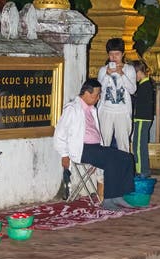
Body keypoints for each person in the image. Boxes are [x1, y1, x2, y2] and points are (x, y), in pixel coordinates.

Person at [53, 78, 139, 211]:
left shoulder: (92, 109)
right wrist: (64, 155)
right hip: (82, 149)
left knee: (126, 158)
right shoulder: (72, 109)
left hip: (95, 148)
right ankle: (108, 200)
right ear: (86, 94)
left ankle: (118, 195)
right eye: (96, 95)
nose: (98, 98)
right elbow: (59, 134)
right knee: (110, 160)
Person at [97, 37, 137, 152]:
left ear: (123, 54)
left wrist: (122, 74)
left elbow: (132, 90)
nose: (114, 57)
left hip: (123, 111)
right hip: (106, 110)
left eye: (117, 54)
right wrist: (107, 75)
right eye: (111, 54)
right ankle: (103, 169)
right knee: (104, 143)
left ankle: (123, 169)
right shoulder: (103, 70)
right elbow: (99, 90)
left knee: (123, 145)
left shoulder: (129, 69)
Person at [132, 60, 154, 177]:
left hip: (142, 118)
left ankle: (141, 170)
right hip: (141, 118)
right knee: (138, 144)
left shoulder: (145, 85)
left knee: (139, 146)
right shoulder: (144, 84)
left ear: (139, 72)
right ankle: (142, 169)